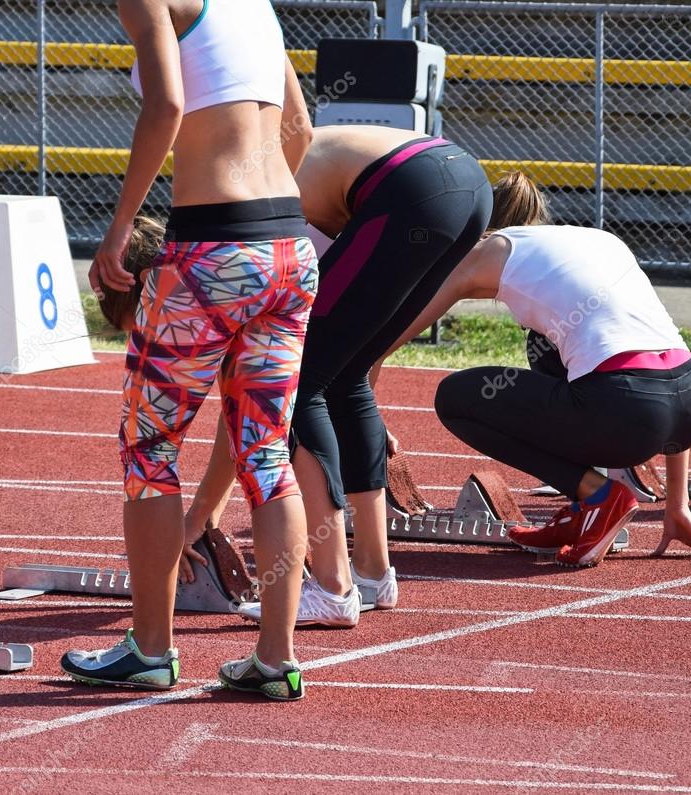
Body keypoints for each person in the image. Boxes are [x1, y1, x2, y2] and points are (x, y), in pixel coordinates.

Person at [60, 0, 319, 701]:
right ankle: (275, 658)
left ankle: (150, 647)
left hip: (212, 246)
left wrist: (119, 229)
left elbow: (166, 104)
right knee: (266, 453)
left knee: (149, 447)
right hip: (287, 245)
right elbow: (301, 127)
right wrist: (263, 206)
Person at [176, 125, 493, 627]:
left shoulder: (240, 222)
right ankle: (372, 572)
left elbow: (254, 393)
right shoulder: (259, 192)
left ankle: (332, 587)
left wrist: (202, 512)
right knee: (344, 379)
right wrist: (205, 509)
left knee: (295, 384)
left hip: (410, 188)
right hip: (464, 181)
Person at [372, 173, 691, 567]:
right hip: (690, 400)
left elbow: (385, 340)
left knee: (456, 398)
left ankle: (599, 495)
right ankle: (586, 506)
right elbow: (661, 356)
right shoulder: (598, 240)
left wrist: (364, 413)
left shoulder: (488, 252)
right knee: (545, 350)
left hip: (628, 410)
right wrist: (677, 504)